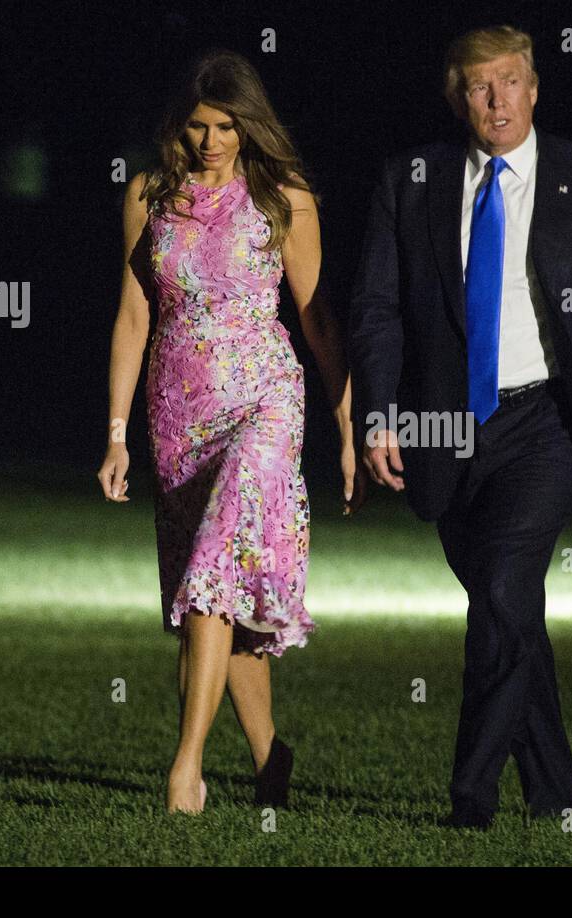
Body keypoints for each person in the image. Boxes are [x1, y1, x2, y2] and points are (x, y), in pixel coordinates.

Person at [351, 25, 572, 828]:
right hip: (446, 430)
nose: (498, 100)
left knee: (501, 588)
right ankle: (555, 794)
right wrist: (380, 413)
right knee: (510, 611)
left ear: (535, 86)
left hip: (546, 419)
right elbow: (378, 310)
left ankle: (471, 793)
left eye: (512, 81)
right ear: (458, 96)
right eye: (480, 85)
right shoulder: (409, 180)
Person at [98, 48, 360, 814]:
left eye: (224, 126)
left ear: (248, 126)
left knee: (216, 567)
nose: (209, 141)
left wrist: (348, 424)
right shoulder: (149, 196)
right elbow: (135, 315)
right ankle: (268, 757)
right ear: (175, 128)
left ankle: (185, 771)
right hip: (178, 414)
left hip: (265, 406)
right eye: (196, 127)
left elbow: (317, 320)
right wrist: (116, 433)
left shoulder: (285, 198)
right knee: (219, 602)